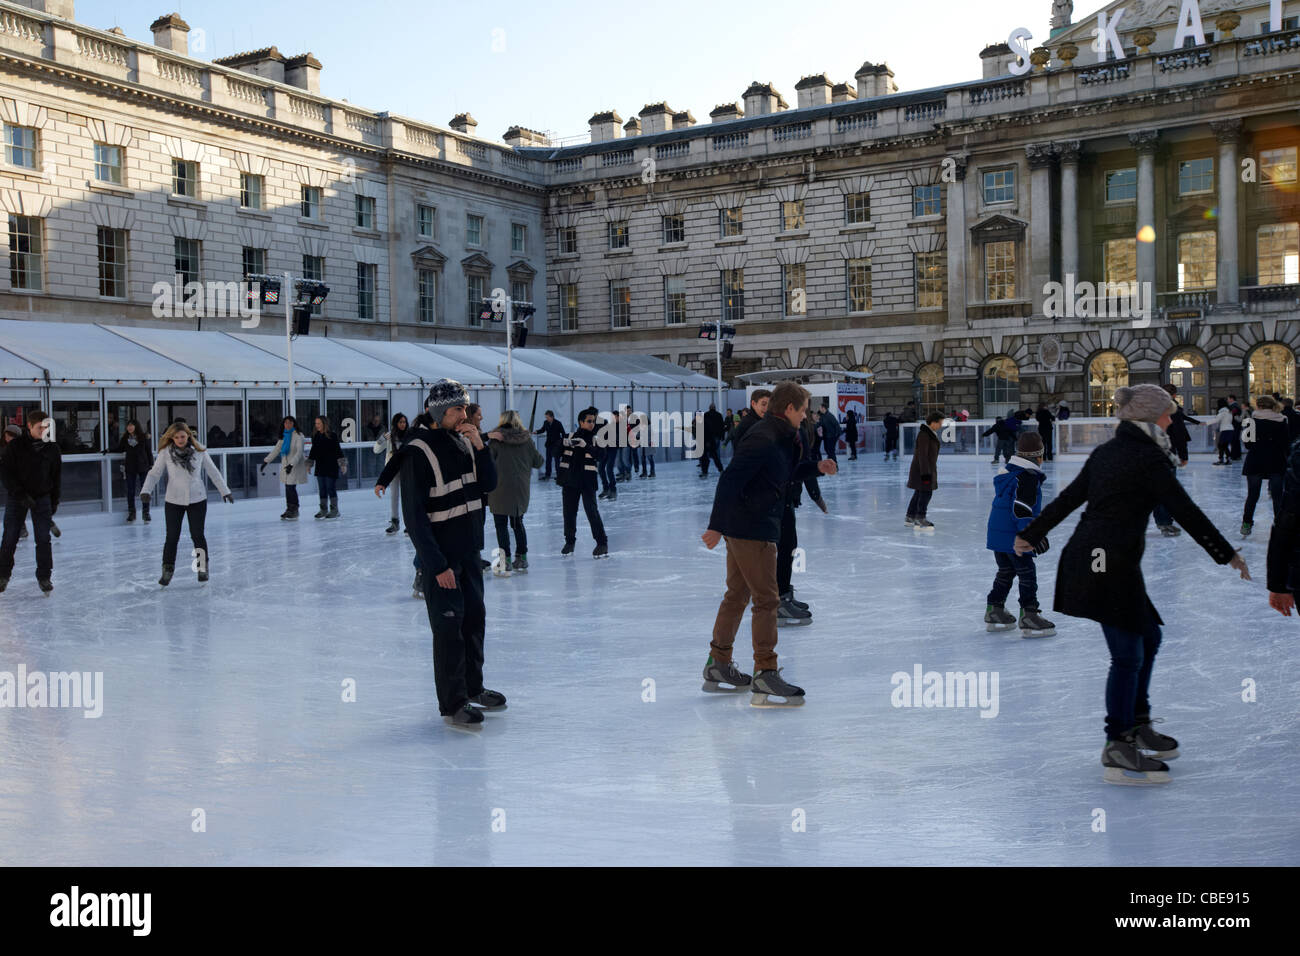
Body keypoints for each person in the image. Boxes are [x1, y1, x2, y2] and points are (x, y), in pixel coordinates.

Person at [1014, 385, 1249, 785]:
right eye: (1167, 413)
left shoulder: (1111, 452)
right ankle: (1117, 743)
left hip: (1102, 558)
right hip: (1105, 563)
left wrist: (1033, 532)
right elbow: (1183, 509)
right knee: (1127, 654)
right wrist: (1225, 553)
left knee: (1150, 638)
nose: (1172, 420)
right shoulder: (1147, 458)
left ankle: (1136, 725)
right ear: (1148, 418)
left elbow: (1069, 498)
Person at [700, 382, 836, 707]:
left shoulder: (780, 436)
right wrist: (716, 526)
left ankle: (718, 665)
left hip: (748, 524)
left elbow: (785, 473)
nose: (805, 415)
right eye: (802, 410)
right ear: (789, 408)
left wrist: (816, 467)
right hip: (751, 527)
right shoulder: (764, 437)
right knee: (766, 600)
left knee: (737, 595)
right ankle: (765, 673)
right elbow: (729, 478)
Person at [397, 379, 502, 731]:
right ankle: (453, 703)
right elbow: (414, 516)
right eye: (456, 409)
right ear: (440, 411)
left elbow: (488, 485)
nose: (463, 414)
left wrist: (481, 447)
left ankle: (473, 688)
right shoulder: (418, 450)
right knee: (449, 631)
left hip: (470, 552)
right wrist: (436, 564)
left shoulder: (466, 441)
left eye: (465, 408)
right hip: (443, 559)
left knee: (474, 623)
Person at [139, 421, 233, 587]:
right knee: (172, 536)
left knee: (197, 535)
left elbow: (213, 472)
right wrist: (146, 490)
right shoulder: (166, 453)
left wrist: (225, 491)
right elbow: (154, 473)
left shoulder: (200, 451)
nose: (180, 440)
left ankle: (203, 568)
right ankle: (167, 570)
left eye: (182, 436)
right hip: (174, 500)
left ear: (188, 436)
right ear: (172, 438)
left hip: (197, 499)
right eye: (176, 437)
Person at [984, 433, 1053, 637]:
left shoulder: (1010, 474)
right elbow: (1022, 509)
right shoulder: (1028, 477)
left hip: (998, 536)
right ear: (1039, 456)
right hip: (1015, 536)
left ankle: (994, 610)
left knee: (1005, 572)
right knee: (1027, 575)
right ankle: (1029, 615)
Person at [0, 410, 61, 595]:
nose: (43, 430)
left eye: (46, 426)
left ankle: (44, 577)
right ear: (29, 426)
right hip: (17, 498)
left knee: (43, 539)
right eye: (39, 427)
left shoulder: (52, 448)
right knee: (10, 537)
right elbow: (6, 474)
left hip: (42, 498)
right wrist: (19, 494)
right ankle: (2, 575)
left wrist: (54, 501)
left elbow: (56, 477)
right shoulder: (16, 446)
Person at [486, 409, 543, 574]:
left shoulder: (496, 441)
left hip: (499, 488)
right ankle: (522, 557)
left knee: (501, 525)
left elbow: (488, 463)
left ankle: (506, 561)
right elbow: (538, 462)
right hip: (520, 489)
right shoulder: (527, 441)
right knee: (518, 524)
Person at [557, 407, 609, 558]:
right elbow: (555, 452)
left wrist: (585, 445)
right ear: (581, 422)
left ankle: (602, 543)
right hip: (569, 482)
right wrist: (564, 443)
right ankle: (570, 542)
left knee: (592, 512)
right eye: (589, 421)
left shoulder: (596, 439)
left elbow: (601, 456)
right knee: (569, 513)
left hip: (587, 482)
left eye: (593, 421)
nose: (592, 424)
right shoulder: (570, 436)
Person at [1241, 395, 1290, 536]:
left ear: (1259, 406)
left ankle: (1246, 524)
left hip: (1256, 461)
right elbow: (1286, 444)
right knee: (1277, 496)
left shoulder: (1251, 421)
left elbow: (1248, 444)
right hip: (1276, 461)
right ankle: (1280, 526)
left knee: (1252, 496)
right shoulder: (1282, 420)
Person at [261, 416, 307, 520]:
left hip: (295, 465)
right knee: (288, 487)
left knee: (291, 487)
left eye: (290, 423)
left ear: (294, 424)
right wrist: (266, 461)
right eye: (286, 423)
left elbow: (299, 452)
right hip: (286, 465)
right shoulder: (284, 436)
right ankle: (289, 509)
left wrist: (291, 464)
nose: (288, 425)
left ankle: (294, 509)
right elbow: (276, 450)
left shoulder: (298, 436)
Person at [372, 413, 411, 534]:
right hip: (393, 470)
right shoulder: (390, 436)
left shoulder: (410, 436)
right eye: (400, 422)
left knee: (407, 496)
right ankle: (395, 522)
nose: (402, 424)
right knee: (394, 496)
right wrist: (382, 439)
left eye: (404, 422)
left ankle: (409, 524)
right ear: (395, 423)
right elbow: (376, 450)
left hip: (406, 469)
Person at [906, 412, 944, 531]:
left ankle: (910, 516)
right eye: (940, 423)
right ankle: (920, 517)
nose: (941, 426)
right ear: (933, 422)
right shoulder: (924, 435)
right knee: (926, 493)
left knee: (919, 492)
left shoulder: (929, 433)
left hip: (924, 469)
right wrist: (926, 475)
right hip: (923, 470)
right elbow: (922, 455)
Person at [115, 419, 153, 523]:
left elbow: (148, 451)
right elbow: (120, 449)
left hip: (142, 467)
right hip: (130, 467)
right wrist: (108, 450)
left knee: (144, 490)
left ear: (136, 426)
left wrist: (151, 465)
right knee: (130, 490)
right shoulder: (125, 438)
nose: (130, 427)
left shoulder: (143, 437)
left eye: (132, 425)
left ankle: (146, 513)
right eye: (128, 426)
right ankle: (132, 512)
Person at [306, 416, 343, 519]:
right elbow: (313, 451)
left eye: (318, 423)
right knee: (322, 489)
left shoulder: (333, 435)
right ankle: (323, 509)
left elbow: (338, 450)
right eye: (316, 423)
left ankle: (334, 510)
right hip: (320, 466)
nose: (316, 425)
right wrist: (309, 464)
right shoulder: (316, 436)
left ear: (324, 424)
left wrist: (342, 464)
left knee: (330, 487)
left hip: (331, 466)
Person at [533, 410, 565, 482]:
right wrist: (536, 432)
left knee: (557, 461)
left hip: (557, 445)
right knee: (548, 460)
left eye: (547, 417)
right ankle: (547, 475)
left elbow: (563, 433)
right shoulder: (545, 423)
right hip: (549, 445)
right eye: (546, 417)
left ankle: (559, 476)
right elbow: (543, 430)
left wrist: (562, 443)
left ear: (552, 417)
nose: (546, 419)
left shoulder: (558, 423)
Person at [596, 413, 618, 501]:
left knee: (609, 469)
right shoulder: (596, 426)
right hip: (605, 449)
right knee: (600, 468)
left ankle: (613, 490)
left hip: (612, 448)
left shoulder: (606, 426)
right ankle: (606, 489)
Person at [700, 404, 726, 477]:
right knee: (715, 454)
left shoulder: (706, 415)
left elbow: (702, 429)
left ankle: (705, 471)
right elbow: (722, 426)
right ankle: (720, 469)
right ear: (715, 408)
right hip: (715, 437)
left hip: (706, 439)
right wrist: (722, 436)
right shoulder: (719, 415)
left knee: (705, 456)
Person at [1213, 397, 1233, 465]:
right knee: (1224, 445)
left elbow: (1216, 420)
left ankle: (1221, 459)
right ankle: (1228, 458)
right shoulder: (1228, 411)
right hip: (1230, 429)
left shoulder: (1222, 411)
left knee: (1220, 445)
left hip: (1225, 430)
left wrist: (1205, 423)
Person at [1227, 394, 1244, 461]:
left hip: (1234, 426)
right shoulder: (1235, 405)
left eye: (1228, 399)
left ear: (1232, 399)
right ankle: (1237, 455)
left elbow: (1232, 414)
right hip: (1236, 426)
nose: (1228, 400)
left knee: (1234, 441)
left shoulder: (1234, 406)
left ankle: (1235, 455)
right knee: (1235, 441)